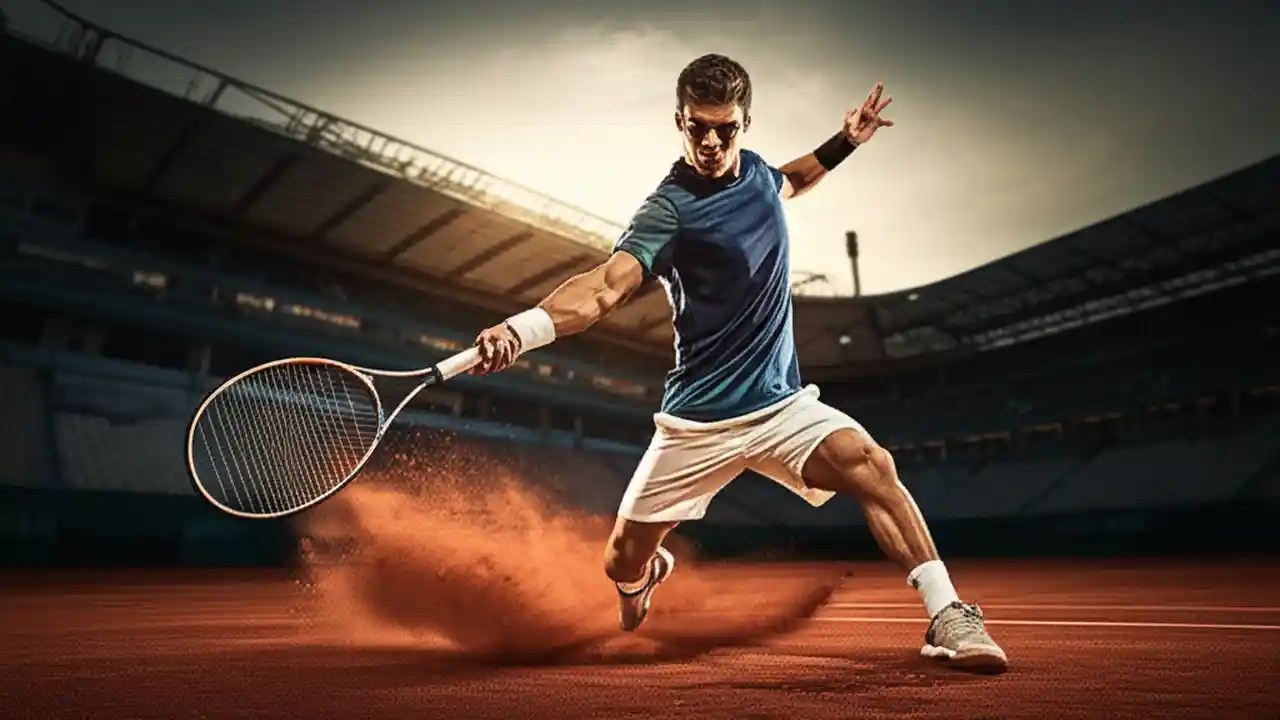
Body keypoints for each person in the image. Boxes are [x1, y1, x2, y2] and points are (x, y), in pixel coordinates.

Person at [471, 54, 1007, 673]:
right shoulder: (666, 210)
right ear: (679, 120)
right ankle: (643, 576)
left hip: (781, 406)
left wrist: (845, 142)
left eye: (725, 127)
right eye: (697, 126)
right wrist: (521, 328)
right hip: (697, 422)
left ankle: (948, 614)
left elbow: (793, 180)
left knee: (872, 464)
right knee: (620, 560)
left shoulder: (756, 173)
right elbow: (603, 289)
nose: (710, 140)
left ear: (745, 122)